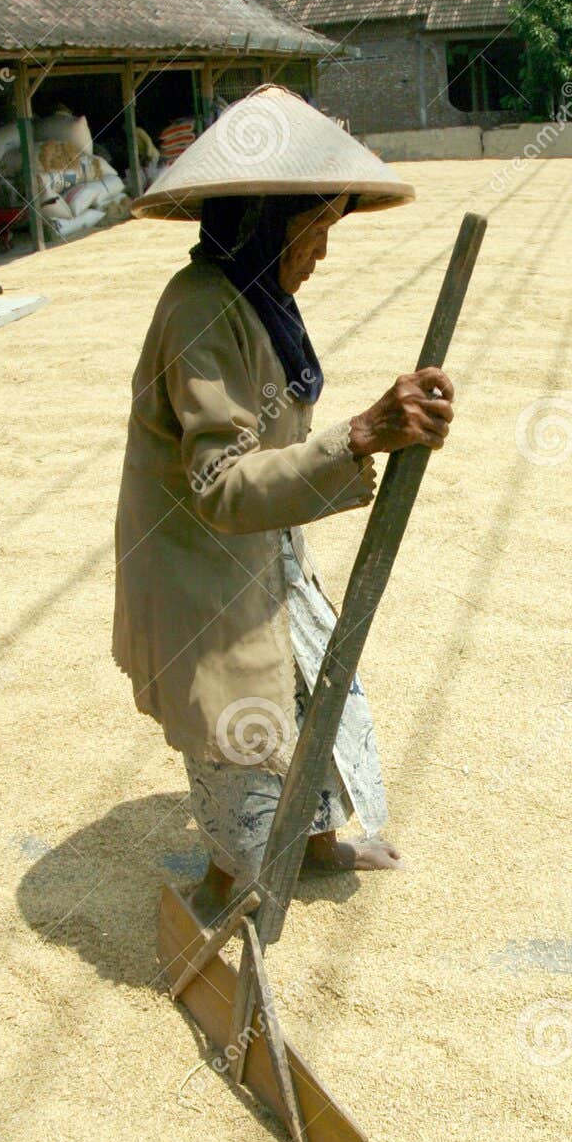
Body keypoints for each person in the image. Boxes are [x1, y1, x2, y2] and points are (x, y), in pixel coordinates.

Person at [114, 87, 455, 926]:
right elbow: (222, 486)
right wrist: (360, 435)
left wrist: (385, 425)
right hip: (204, 573)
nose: (324, 253)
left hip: (267, 557)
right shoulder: (201, 311)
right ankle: (222, 891)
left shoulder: (259, 297)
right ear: (268, 220)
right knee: (244, 742)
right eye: (317, 229)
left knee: (316, 698)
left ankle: (313, 846)